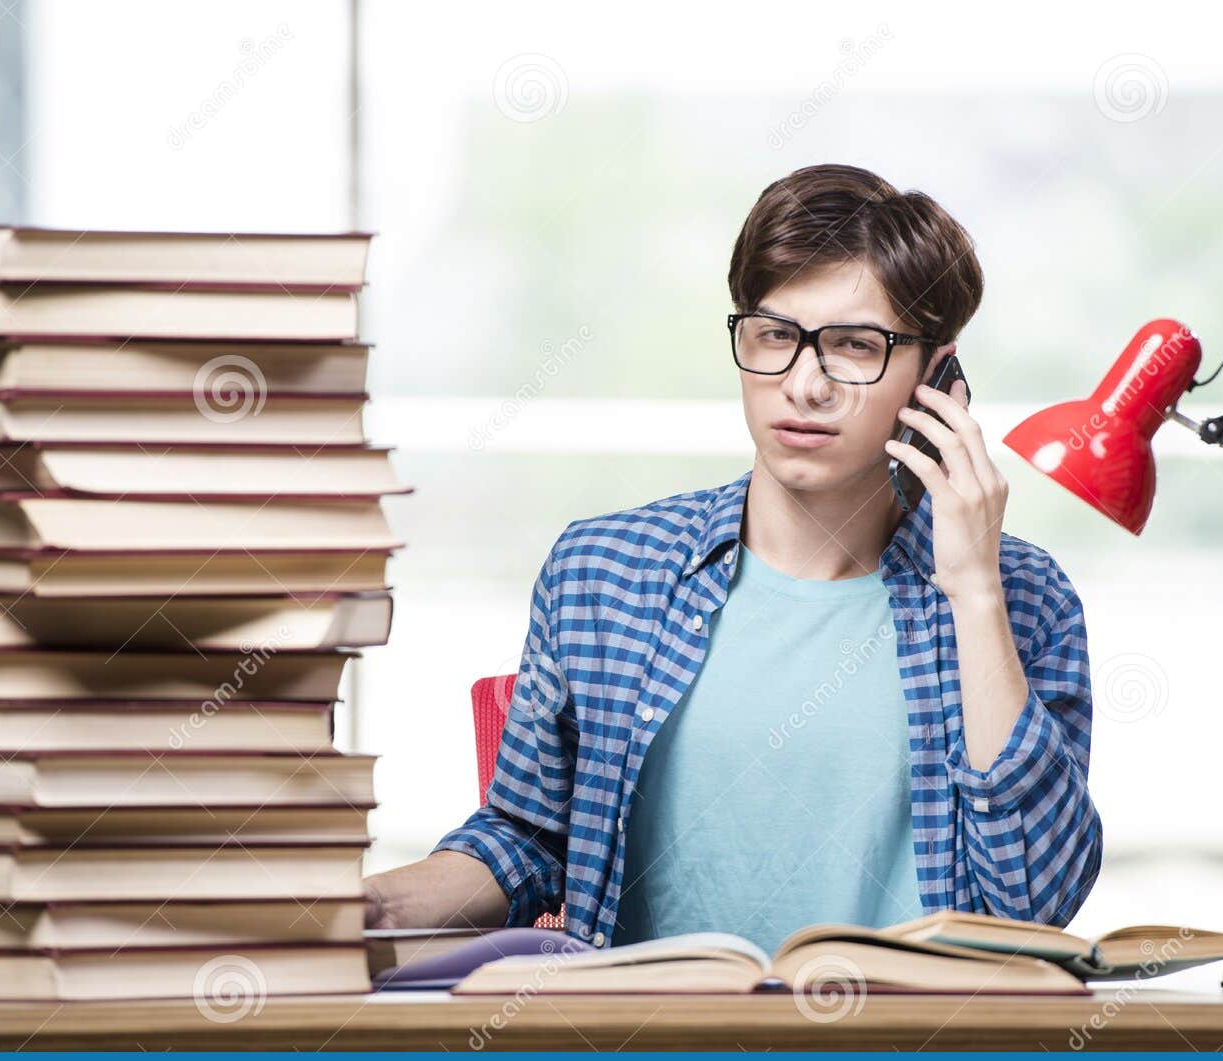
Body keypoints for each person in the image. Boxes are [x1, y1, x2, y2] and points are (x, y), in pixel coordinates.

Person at [365, 163, 1102, 952]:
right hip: (659, 1026)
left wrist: (974, 591)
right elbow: (528, 842)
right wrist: (372, 905)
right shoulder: (602, 572)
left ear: (938, 376)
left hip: (910, 1026)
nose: (805, 385)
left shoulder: (1021, 594)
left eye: (856, 346)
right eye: (775, 336)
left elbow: (1035, 903)